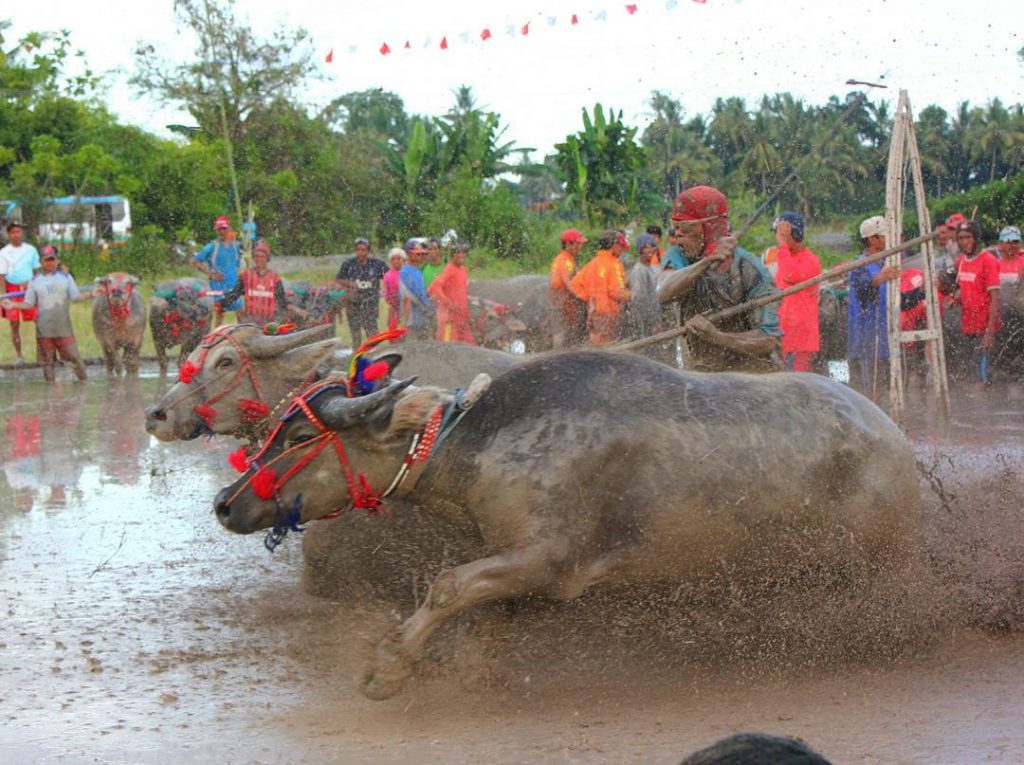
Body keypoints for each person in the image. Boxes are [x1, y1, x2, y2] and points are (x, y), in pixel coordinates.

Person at [658, 186, 782, 372]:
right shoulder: (679, 256)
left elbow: (768, 340)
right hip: (700, 377)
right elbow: (663, 293)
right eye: (675, 227)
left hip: (752, 379)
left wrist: (717, 337)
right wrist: (708, 261)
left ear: (710, 228)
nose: (678, 234)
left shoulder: (750, 269)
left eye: (685, 227)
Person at [1, 247, 87, 381]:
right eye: (47, 260)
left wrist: (92, 294)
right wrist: (13, 305)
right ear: (42, 262)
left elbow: (76, 297)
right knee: (47, 362)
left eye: (52, 260)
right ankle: (50, 394)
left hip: (63, 328)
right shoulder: (35, 281)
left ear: (57, 260)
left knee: (74, 358)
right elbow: (29, 304)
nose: (50, 263)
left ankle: (84, 385)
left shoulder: (66, 278)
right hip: (44, 329)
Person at [847, 215, 899, 400]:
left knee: (886, 385)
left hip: (886, 334)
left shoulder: (888, 264)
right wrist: (878, 280)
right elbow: (863, 292)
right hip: (866, 335)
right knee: (868, 388)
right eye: (884, 236)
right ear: (872, 239)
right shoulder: (860, 265)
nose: (888, 239)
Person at [773, 212, 821, 372]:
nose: (778, 237)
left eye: (781, 233)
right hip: (783, 334)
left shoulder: (810, 260)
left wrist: (782, 245)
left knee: (797, 386)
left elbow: (790, 275)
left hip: (800, 339)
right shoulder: (784, 256)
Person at [954, 219, 1001, 384]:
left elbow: (995, 297)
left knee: (979, 378)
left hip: (984, 328)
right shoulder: (961, 262)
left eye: (968, 237)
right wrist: (957, 296)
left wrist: (989, 333)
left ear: (976, 238)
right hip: (968, 327)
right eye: (960, 238)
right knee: (968, 375)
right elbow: (964, 289)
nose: (964, 242)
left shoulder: (988, 261)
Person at [570, 230, 632, 346]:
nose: (622, 250)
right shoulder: (614, 264)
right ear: (614, 246)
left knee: (596, 350)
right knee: (609, 350)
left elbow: (574, 285)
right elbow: (617, 293)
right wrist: (633, 295)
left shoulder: (592, 263)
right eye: (621, 247)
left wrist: (590, 299)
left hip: (594, 314)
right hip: (609, 316)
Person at [216, 240, 294, 325]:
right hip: (250, 322)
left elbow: (281, 299)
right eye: (256, 256)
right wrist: (221, 304)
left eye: (262, 256)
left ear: (267, 259)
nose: (259, 259)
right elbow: (235, 294)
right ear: (253, 258)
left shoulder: (275, 278)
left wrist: (292, 309)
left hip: (269, 323)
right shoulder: (245, 276)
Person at [335, 237, 388, 348]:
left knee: (373, 335)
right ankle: (357, 360)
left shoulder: (377, 264)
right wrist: (349, 284)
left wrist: (388, 290)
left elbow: (389, 276)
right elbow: (339, 279)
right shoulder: (349, 264)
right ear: (355, 251)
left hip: (370, 304)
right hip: (353, 305)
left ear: (368, 251)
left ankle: (374, 356)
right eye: (358, 249)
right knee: (356, 336)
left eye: (364, 250)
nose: (361, 252)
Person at [0, 221, 41, 365]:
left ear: (22, 233)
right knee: (14, 323)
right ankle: (19, 356)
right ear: (9, 234)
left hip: (29, 288)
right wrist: (5, 296)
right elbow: (2, 275)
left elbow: (37, 272)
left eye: (18, 231)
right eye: (13, 232)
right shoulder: (4, 252)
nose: (16, 235)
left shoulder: (31, 250)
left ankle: (42, 353)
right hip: (12, 289)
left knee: (38, 320)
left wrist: (36, 288)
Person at [192, 216, 241, 328]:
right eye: (219, 229)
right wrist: (210, 274)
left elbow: (237, 265)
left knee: (241, 312)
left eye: (224, 228)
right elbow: (195, 261)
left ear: (229, 228)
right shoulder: (212, 246)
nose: (221, 231)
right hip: (218, 286)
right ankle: (214, 339)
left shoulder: (236, 246)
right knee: (220, 313)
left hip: (233, 285)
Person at [428, 240, 475, 344]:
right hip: (449, 319)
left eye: (464, 252)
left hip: (461, 318)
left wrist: (467, 315)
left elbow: (462, 293)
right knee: (449, 349)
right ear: (453, 254)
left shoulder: (463, 270)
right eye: (458, 252)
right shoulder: (449, 269)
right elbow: (435, 287)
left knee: (470, 346)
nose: (461, 255)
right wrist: (448, 303)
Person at [548, 228, 588, 348]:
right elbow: (568, 283)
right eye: (578, 243)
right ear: (569, 244)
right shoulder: (564, 260)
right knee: (560, 332)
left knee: (567, 331)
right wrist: (582, 297)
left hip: (565, 302)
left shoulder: (568, 259)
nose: (581, 246)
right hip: (559, 302)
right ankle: (557, 356)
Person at [625, 233, 663, 341]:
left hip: (650, 319)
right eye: (646, 248)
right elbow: (639, 299)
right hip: (643, 322)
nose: (649, 250)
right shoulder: (639, 270)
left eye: (652, 247)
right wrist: (652, 322)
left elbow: (652, 298)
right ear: (640, 251)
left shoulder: (650, 268)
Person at [399, 238, 435, 340]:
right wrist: (430, 310)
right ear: (409, 255)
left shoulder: (417, 271)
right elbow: (418, 297)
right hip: (412, 321)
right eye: (417, 254)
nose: (421, 257)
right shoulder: (407, 272)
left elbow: (421, 293)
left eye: (422, 254)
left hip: (420, 319)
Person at [383, 247, 406, 328]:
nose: (396, 261)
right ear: (390, 261)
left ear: (403, 260)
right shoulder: (387, 275)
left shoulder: (407, 273)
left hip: (408, 308)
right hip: (394, 308)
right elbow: (387, 294)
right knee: (394, 334)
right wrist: (392, 301)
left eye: (399, 258)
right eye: (393, 259)